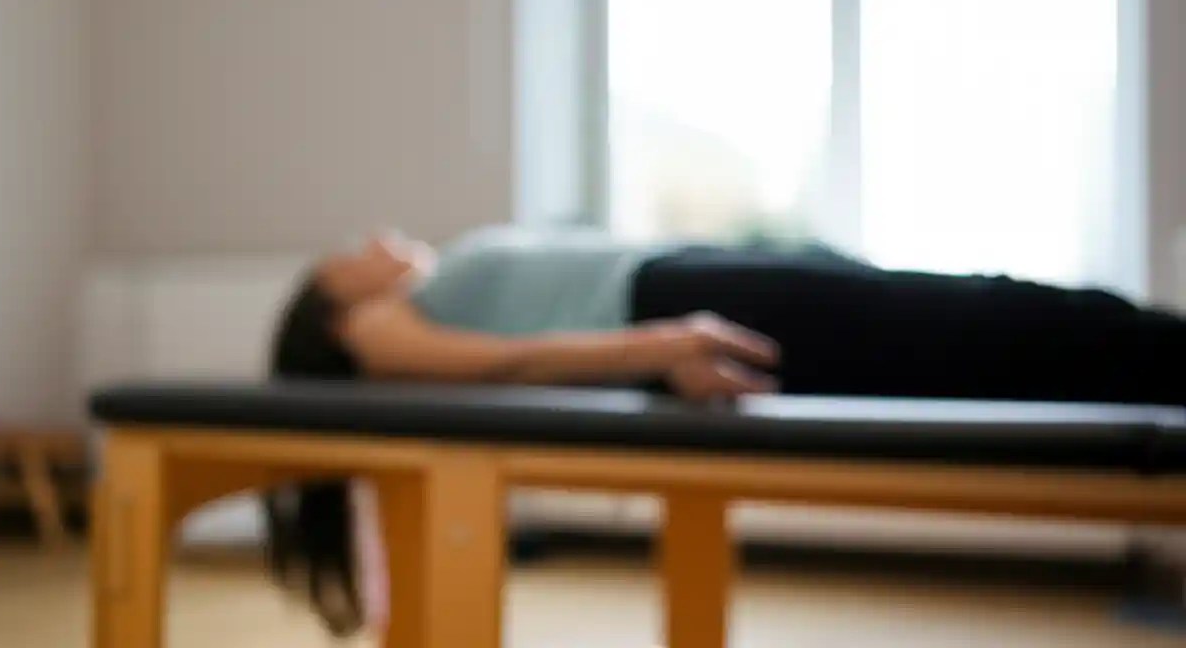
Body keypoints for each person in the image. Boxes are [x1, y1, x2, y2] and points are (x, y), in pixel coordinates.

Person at [267, 225, 1185, 635]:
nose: (374, 237)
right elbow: (507, 363)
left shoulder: (403, 296)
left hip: (685, 285)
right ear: (328, 308)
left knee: (983, 321)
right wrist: (664, 343)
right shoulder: (371, 324)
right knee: (994, 324)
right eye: (348, 253)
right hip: (677, 306)